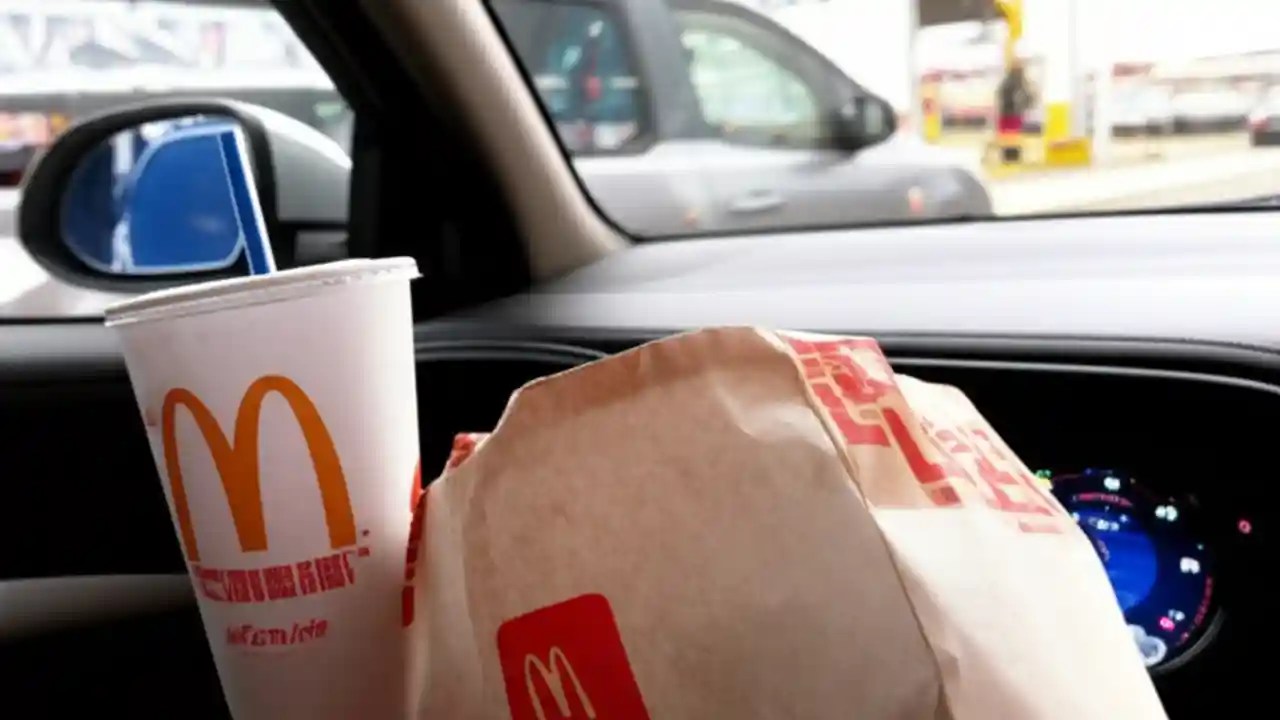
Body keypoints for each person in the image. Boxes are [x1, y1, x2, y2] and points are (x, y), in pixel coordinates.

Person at [996, 60, 1033, 162]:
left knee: (1008, 139)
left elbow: (1002, 96)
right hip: (1013, 115)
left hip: (1007, 114)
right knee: (1013, 138)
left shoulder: (1008, 81)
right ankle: (1012, 157)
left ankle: (1008, 157)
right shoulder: (1019, 82)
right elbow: (1027, 97)